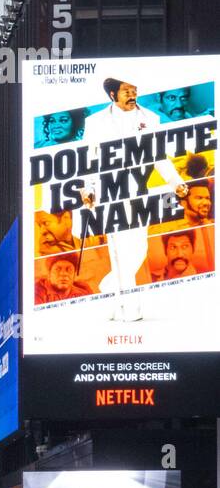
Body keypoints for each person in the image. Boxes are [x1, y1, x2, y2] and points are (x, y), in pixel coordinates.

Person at [80, 77, 189, 321]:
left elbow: (158, 156)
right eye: (126, 91)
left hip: (138, 190)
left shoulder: (150, 118)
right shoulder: (95, 123)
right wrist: (87, 189)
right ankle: (130, 311)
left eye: (134, 91)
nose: (132, 96)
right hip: (110, 191)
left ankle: (108, 290)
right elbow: (89, 159)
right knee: (118, 251)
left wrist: (176, 182)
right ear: (112, 95)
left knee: (139, 249)